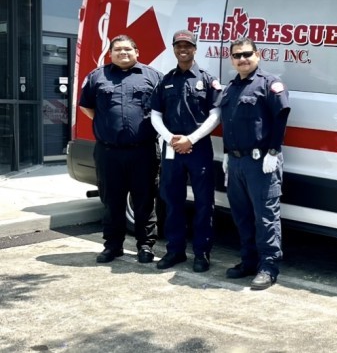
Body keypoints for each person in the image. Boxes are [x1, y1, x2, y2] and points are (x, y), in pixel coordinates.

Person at [79, 34, 162, 264]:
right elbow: (87, 106)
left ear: (137, 52)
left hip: (143, 151)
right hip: (109, 152)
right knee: (111, 201)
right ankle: (112, 247)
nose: (123, 53)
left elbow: (163, 108)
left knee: (144, 200)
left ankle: (145, 246)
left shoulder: (153, 76)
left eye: (127, 49)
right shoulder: (98, 76)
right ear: (111, 53)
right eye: (118, 50)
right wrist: (107, 124)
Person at [217, 37, 290, 290]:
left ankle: (268, 267)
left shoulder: (269, 84)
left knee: (265, 217)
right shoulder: (231, 88)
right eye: (237, 55)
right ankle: (248, 261)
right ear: (231, 59)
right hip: (236, 162)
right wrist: (227, 154)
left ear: (257, 55)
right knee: (242, 216)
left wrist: (273, 151)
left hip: (261, 162)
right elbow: (229, 123)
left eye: (247, 54)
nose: (242, 59)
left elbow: (280, 118)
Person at [150, 30, 222, 273]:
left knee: (204, 203)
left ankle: (202, 253)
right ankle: (175, 250)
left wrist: (191, 138)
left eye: (188, 46)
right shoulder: (166, 80)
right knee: (172, 202)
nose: (183, 49)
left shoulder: (207, 79)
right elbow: (155, 114)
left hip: (198, 148)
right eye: (179, 45)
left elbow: (216, 115)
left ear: (195, 49)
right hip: (172, 148)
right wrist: (171, 138)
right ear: (173, 49)